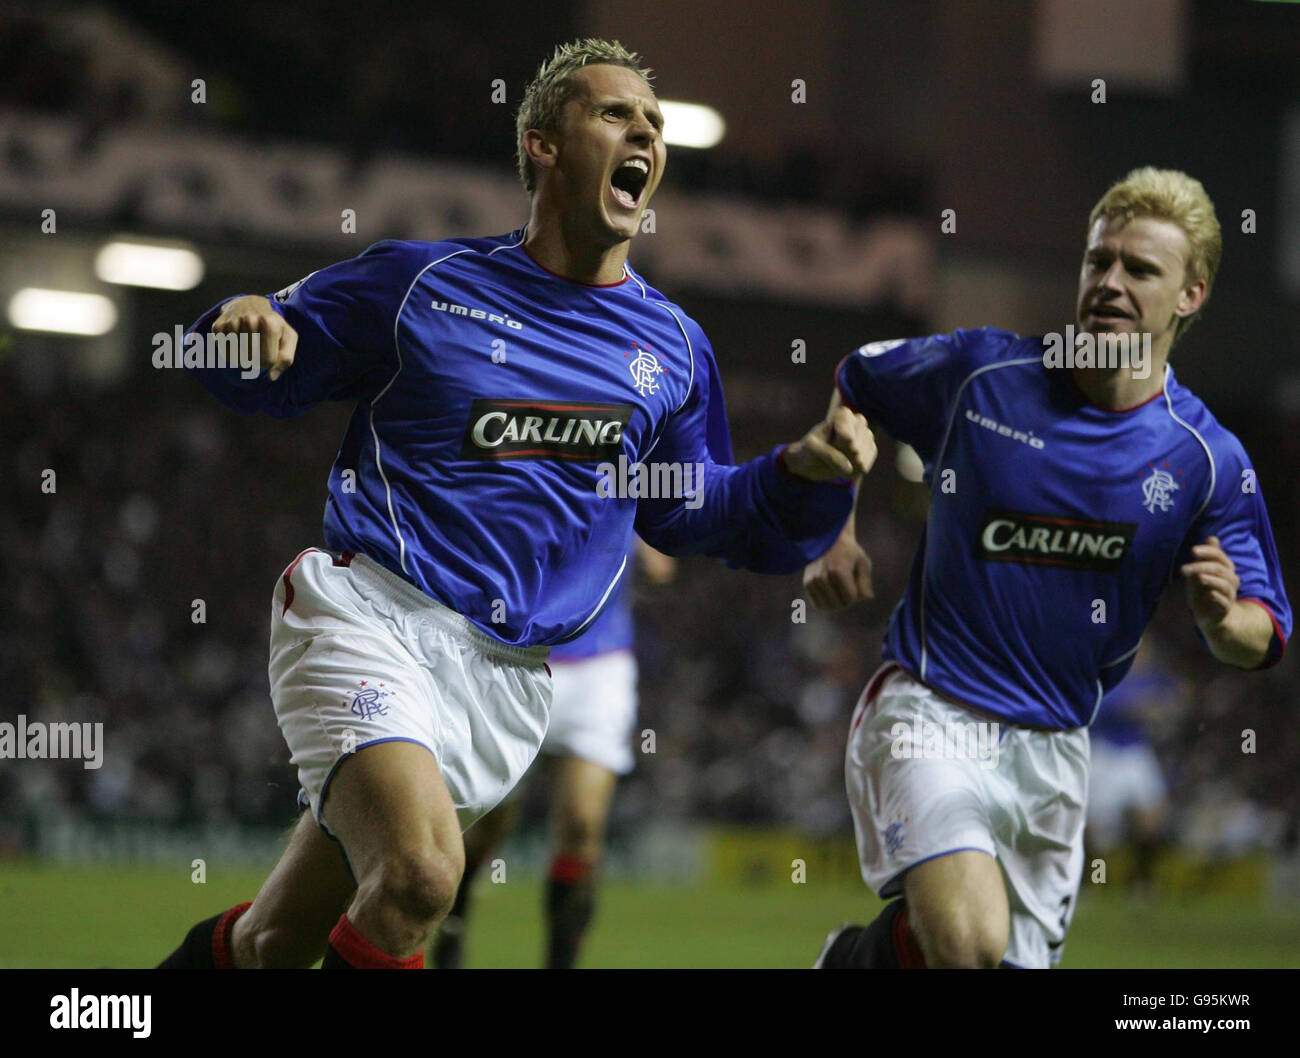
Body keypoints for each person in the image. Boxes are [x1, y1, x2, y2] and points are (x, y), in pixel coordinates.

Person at [157, 38, 875, 970]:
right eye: (618, 114)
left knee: (272, 943)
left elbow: (694, 512)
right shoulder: (424, 283)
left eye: (656, 125)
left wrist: (803, 475)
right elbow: (258, 361)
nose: (646, 135)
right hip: (371, 613)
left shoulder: (675, 348)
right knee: (420, 876)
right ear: (542, 143)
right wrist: (238, 331)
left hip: (507, 681)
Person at [806, 167, 1290, 969]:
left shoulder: (1207, 459)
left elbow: (1265, 633)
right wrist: (836, 527)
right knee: (967, 946)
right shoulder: (981, 376)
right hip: (933, 709)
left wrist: (1220, 619)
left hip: (1057, 747)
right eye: (1099, 262)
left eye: (1141, 270)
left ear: (1190, 297)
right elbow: (858, 382)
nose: (1110, 282)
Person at [433, 540, 674, 969]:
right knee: (488, 825)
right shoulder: (516, 471)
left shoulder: (623, 473)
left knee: (582, 825)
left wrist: (639, 533)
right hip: (512, 656)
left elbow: (662, 564)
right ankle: (457, 913)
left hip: (599, 667)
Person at [1085, 638, 1178, 891]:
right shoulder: (1109, 673)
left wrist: (1162, 711)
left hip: (1136, 750)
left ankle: (1141, 883)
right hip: (1105, 751)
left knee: (1152, 817)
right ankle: (1089, 881)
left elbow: (1172, 703)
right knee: (1093, 826)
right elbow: (1096, 707)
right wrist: (1132, 707)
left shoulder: (1153, 677)